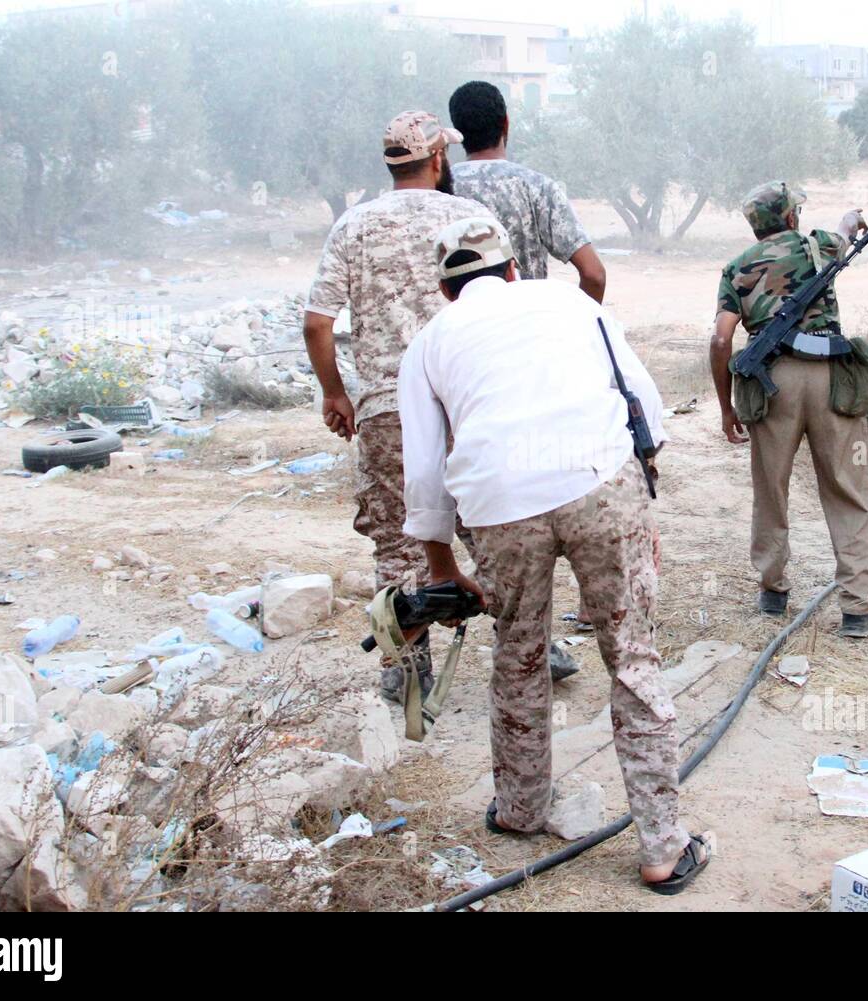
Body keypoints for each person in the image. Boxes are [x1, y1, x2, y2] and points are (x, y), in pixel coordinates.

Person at [397, 217, 711, 893]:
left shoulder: (428, 342)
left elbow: (422, 475)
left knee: (519, 654)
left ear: (446, 290)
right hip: (599, 480)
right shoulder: (574, 302)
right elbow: (646, 411)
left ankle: (519, 809)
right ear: (513, 269)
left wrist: (445, 570)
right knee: (631, 656)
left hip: (498, 503)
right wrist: (638, 514)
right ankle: (662, 845)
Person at [301, 110, 487, 701]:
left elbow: (317, 323)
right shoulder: (470, 219)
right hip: (466, 403)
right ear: (438, 158)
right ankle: (529, 643)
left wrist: (336, 392)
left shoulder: (353, 226)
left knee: (397, 540)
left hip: (387, 410)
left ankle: (404, 667)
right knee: (496, 528)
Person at [708, 180, 868, 638]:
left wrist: (726, 409)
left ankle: (772, 592)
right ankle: (858, 609)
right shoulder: (819, 244)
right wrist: (851, 213)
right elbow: (845, 233)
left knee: (771, 490)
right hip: (831, 378)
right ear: (790, 217)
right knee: (847, 491)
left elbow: (722, 339)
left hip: (774, 387)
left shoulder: (737, 267)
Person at [447, 80, 606, 302]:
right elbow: (594, 275)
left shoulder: (441, 191)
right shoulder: (538, 187)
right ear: (506, 124)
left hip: (463, 331)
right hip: (529, 330)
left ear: (457, 132)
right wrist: (575, 325)